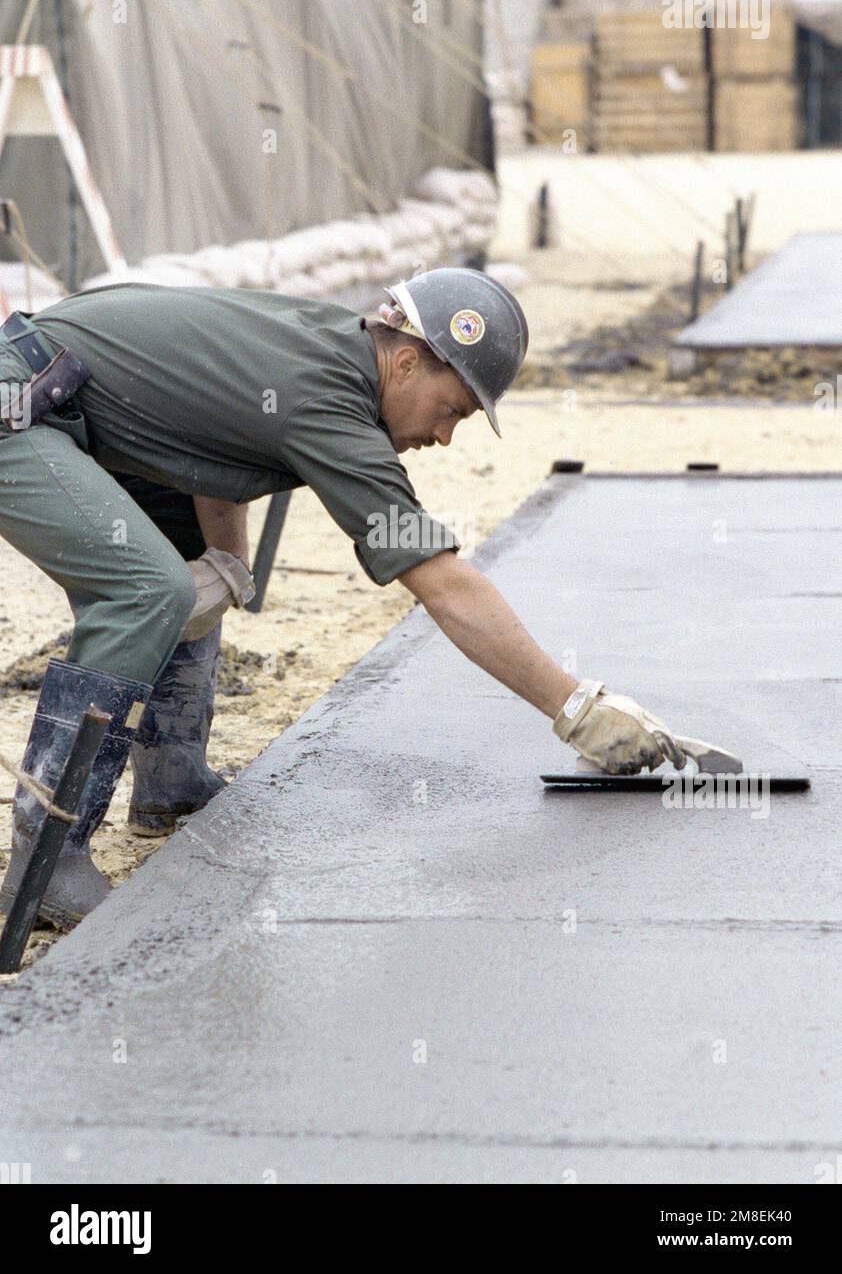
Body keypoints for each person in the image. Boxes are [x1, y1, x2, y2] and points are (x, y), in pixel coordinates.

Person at [0, 267, 685, 930]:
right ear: (409, 363)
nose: (444, 437)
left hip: (72, 403)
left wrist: (228, 561)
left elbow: (208, 438)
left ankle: (171, 784)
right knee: (149, 590)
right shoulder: (328, 398)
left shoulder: (326, 350)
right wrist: (574, 708)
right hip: (23, 404)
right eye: (453, 410)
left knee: (188, 574)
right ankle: (46, 861)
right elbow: (442, 582)